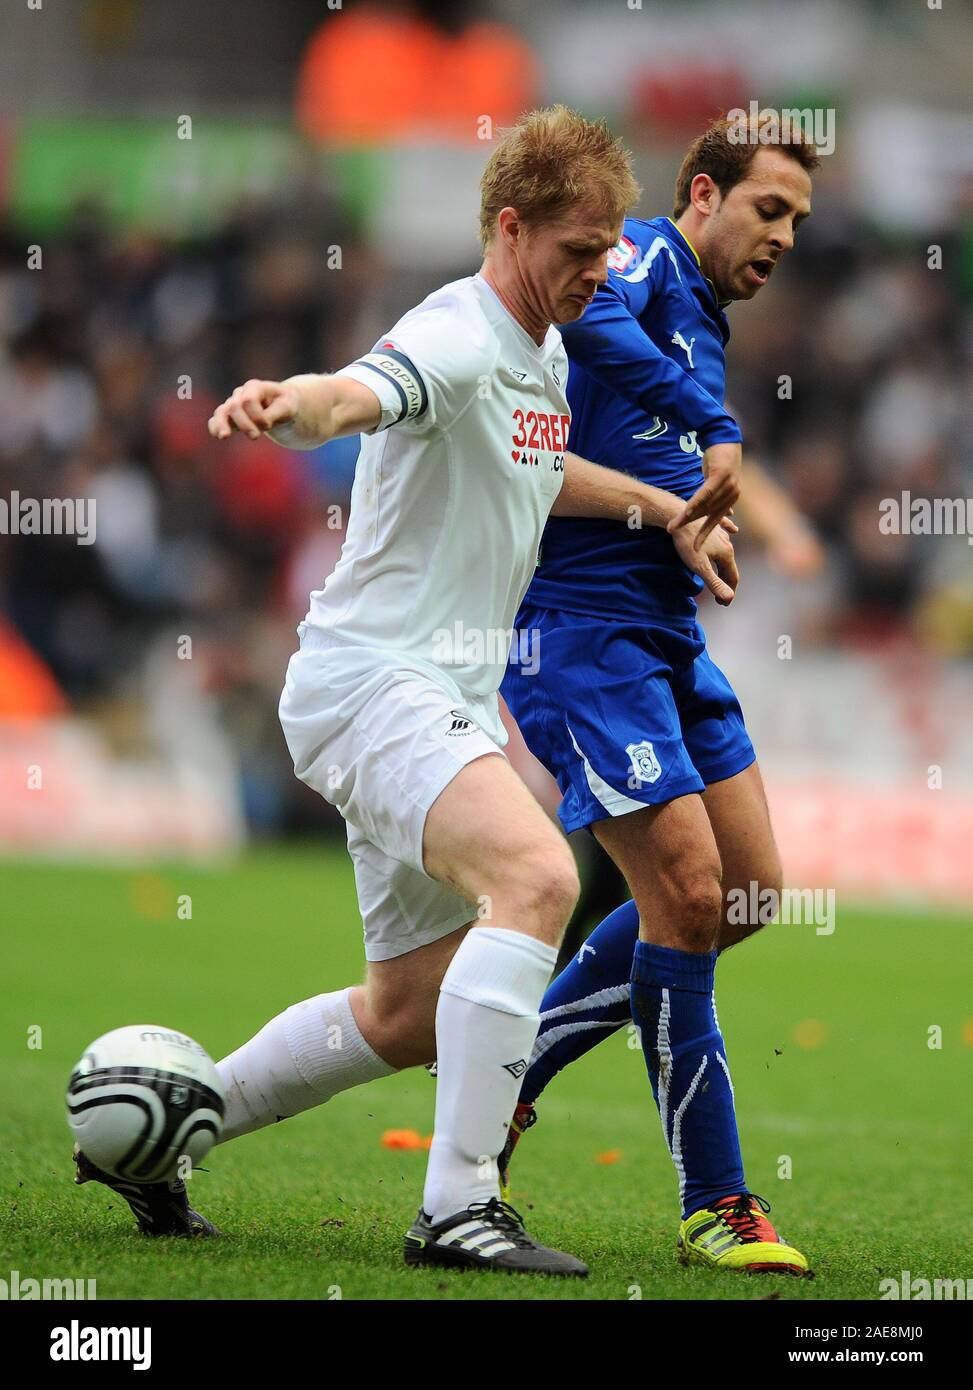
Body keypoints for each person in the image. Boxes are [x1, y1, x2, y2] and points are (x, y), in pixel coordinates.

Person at [72, 106, 742, 1276]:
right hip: (377, 685)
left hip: (414, 695)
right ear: (510, 226)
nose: (600, 272)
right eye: (579, 250)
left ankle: (166, 1128)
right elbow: (363, 391)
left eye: (607, 251)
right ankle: (458, 1205)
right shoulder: (459, 331)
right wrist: (295, 403)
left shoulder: (535, 348)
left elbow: (537, 463)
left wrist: (660, 508)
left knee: (408, 1010)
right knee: (537, 873)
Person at [498, 113, 818, 1277]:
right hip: (578, 639)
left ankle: (509, 1066)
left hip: (663, 634)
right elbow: (588, 330)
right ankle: (715, 1201)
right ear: (700, 191)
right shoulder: (628, 259)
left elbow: (663, 458)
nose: (782, 235)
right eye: (768, 208)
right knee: (686, 895)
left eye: (796, 220)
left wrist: (694, 526)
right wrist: (710, 429)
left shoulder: (707, 319)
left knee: (747, 895)